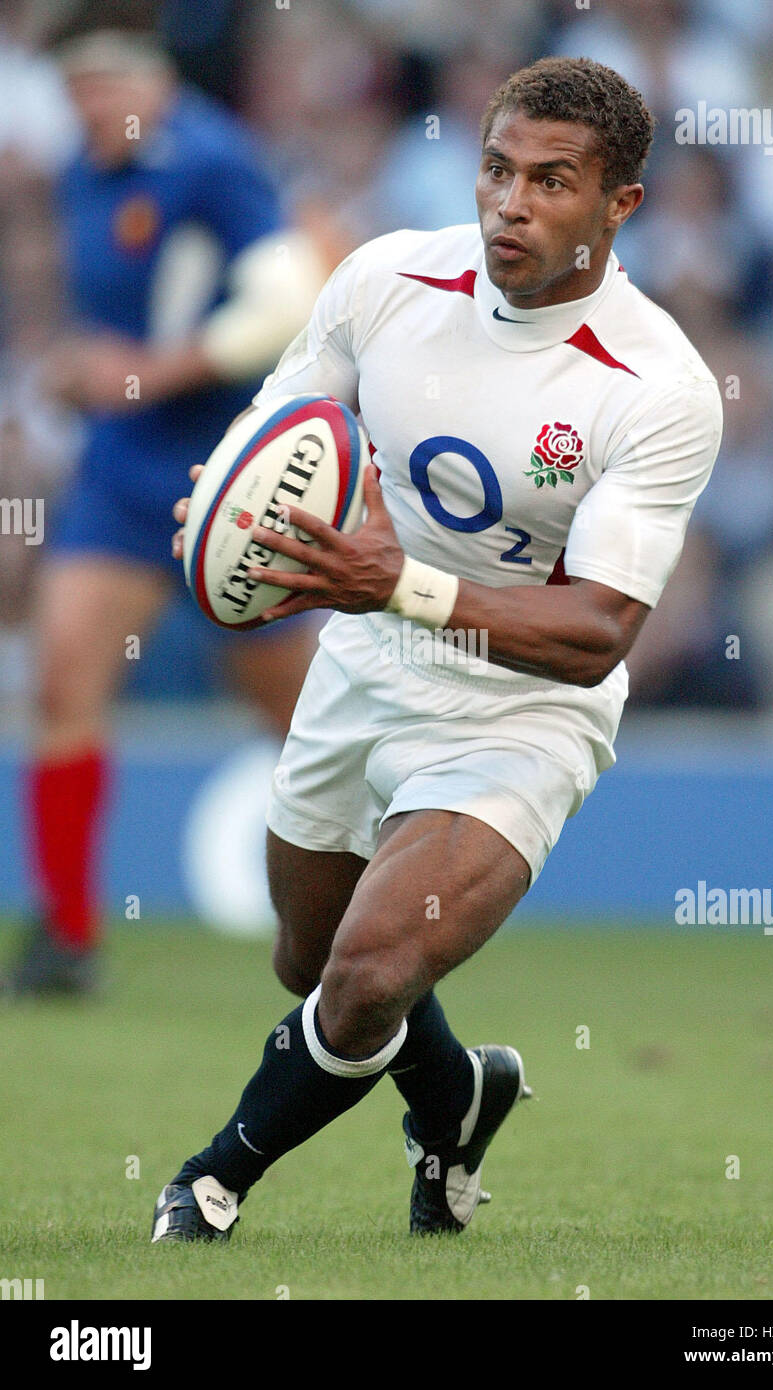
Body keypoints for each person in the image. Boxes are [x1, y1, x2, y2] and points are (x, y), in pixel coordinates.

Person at [152, 56, 723, 1241]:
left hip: (520, 712)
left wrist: (396, 582)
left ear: (619, 203)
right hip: (363, 664)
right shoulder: (385, 276)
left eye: (552, 181)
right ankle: (460, 1095)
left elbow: (594, 635)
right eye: (496, 169)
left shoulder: (658, 387)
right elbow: (282, 420)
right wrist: (225, 501)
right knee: (307, 963)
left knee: (365, 978)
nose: (510, 203)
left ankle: (209, 1182)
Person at [3, 30, 338, 998]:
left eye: (98, 91)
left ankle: (365, 911)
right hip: (120, 470)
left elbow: (286, 303)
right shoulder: (83, 169)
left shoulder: (211, 159)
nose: (85, 111)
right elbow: (112, 313)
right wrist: (78, 364)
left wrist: (146, 375)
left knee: (290, 708)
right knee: (65, 676)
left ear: (146, 84)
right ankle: (67, 935)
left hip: (225, 472)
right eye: (72, 93)